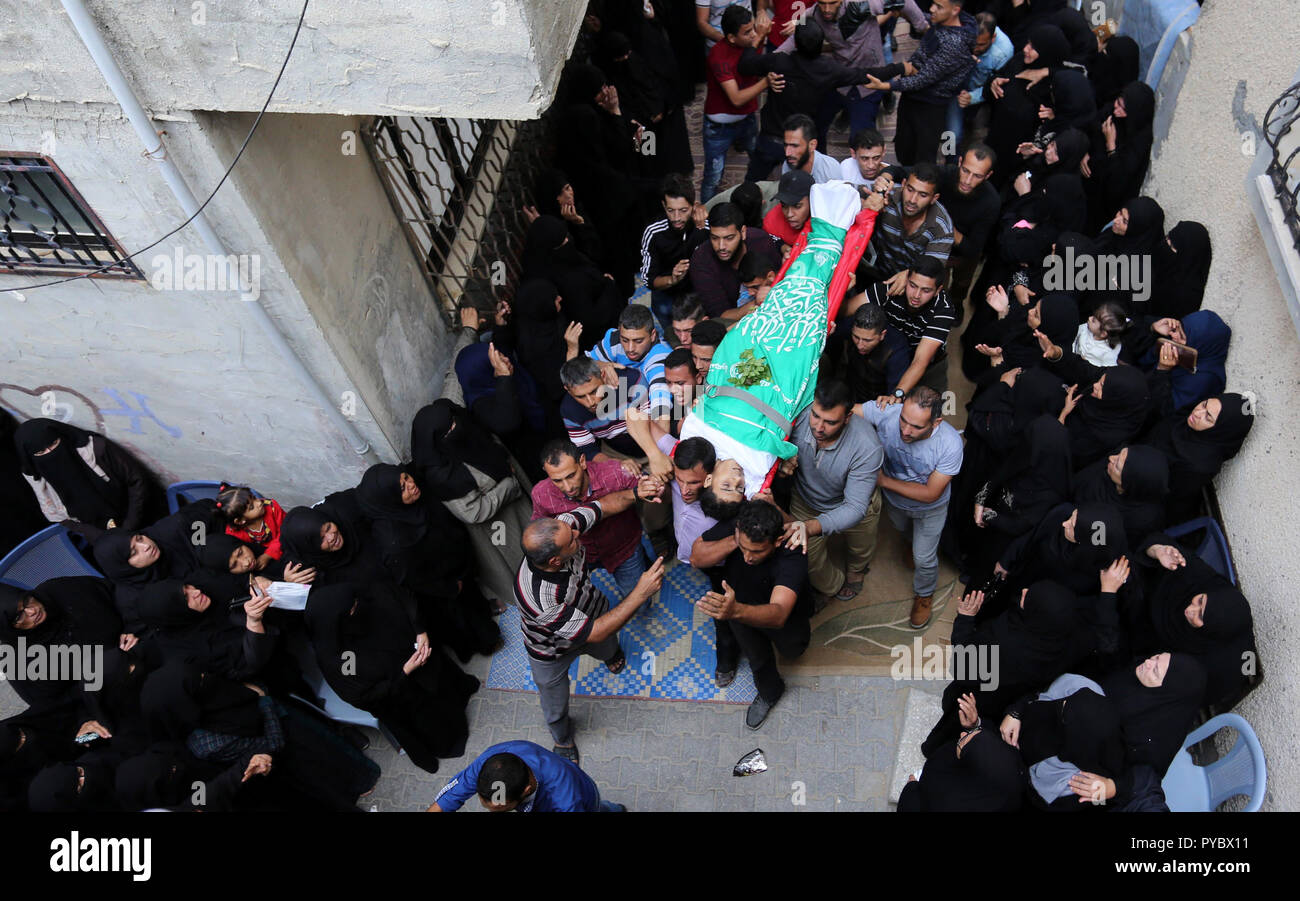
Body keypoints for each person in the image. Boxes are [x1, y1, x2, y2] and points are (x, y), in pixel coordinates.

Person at [518, 500, 664, 763]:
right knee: (555, 703)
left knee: (608, 646)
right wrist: (640, 593)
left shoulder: (564, 528)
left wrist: (634, 492)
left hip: (592, 612)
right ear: (554, 560)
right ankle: (562, 740)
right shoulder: (538, 597)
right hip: (552, 650)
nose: (577, 533)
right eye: (573, 540)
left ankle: (611, 656)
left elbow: (603, 507)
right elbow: (593, 632)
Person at [304, 583, 480, 774]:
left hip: (418, 673)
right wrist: (404, 672)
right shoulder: (342, 659)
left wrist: (418, 632)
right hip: (398, 700)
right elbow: (364, 696)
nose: (358, 606)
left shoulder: (361, 611)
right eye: (352, 608)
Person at [355, 463, 501, 660]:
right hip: (439, 587)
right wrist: (448, 587)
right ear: (389, 498)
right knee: (461, 620)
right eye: (402, 487)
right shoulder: (394, 542)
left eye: (406, 477)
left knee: (471, 599)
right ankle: (484, 644)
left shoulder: (411, 504)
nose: (411, 484)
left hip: (452, 568)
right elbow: (413, 580)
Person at [857, 386, 964, 628]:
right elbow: (845, 412)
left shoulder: (950, 445)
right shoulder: (890, 412)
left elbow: (930, 494)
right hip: (894, 503)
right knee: (902, 530)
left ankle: (924, 595)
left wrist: (883, 481)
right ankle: (909, 541)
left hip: (930, 510)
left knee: (924, 558)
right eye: (904, 421)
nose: (905, 430)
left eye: (916, 427)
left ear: (936, 422)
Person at [410, 400, 532, 609]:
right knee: (519, 557)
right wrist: (508, 485)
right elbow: (474, 512)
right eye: (449, 431)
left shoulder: (461, 430)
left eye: (454, 424)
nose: (456, 429)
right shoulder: (442, 475)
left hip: (516, 504)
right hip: (496, 522)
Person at [698, 499, 809, 728]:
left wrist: (736, 610)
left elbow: (778, 614)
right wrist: (734, 540)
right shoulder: (742, 522)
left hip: (775, 613)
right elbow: (696, 556)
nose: (748, 557)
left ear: (777, 541)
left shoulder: (793, 550)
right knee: (757, 657)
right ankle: (770, 692)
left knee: (794, 649)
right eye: (744, 548)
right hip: (740, 607)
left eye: (757, 551)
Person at [781, 379, 883, 605]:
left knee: (860, 546)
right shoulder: (800, 416)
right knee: (806, 558)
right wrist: (782, 466)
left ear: (847, 417)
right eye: (816, 416)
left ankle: (856, 570)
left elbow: (855, 507)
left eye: (830, 422)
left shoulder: (867, 446)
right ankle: (833, 585)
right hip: (806, 500)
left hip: (855, 504)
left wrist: (811, 527)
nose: (818, 427)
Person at [738, 20, 880, 182]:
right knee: (809, 184)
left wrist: (760, 36)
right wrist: (900, 69)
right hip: (802, 145)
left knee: (753, 183)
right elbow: (863, 74)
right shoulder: (828, 69)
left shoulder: (778, 62)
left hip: (771, 140)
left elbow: (745, 65)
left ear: (796, 44)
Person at [531, 439, 653, 599]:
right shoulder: (541, 494)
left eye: (571, 476)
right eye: (557, 480)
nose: (567, 487)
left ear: (582, 462)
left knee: (639, 603)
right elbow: (540, 526)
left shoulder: (615, 473)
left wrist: (651, 485)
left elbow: (649, 486)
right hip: (580, 555)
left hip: (624, 548)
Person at [798, 0, 930, 146]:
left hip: (869, 83)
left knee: (863, 141)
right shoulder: (814, 13)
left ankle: (884, 97)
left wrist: (922, 26)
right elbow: (798, 31)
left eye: (832, 3)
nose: (826, 9)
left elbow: (903, 1)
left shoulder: (863, 6)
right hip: (841, 80)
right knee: (815, 128)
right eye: (822, 3)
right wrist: (798, 26)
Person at [863, 0, 977, 165]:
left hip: (931, 103)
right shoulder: (947, 22)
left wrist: (886, 86)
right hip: (913, 95)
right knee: (904, 143)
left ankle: (949, 170)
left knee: (937, 146)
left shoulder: (954, 44)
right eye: (933, 4)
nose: (932, 9)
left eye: (938, 7)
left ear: (955, 10)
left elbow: (923, 79)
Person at [14, 418, 163, 541]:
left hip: (143, 515)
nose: (51, 453)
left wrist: (129, 527)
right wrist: (99, 536)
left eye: (54, 444)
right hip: (103, 536)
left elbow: (136, 481)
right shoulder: (37, 478)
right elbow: (62, 518)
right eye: (41, 452)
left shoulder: (96, 449)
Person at [845, 255, 956, 395]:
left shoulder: (943, 310)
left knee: (927, 409)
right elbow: (845, 310)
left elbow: (920, 361)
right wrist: (844, 288)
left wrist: (897, 394)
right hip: (888, 354)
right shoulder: (890, 289)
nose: (916, 295)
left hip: (927, 365)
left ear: (938, 291)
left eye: (926, 290)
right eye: (913, 285)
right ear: (906, 279)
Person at [700, 6, 779, 201]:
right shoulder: (718, 55)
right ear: (731, 37)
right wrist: (765, 83)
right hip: (719, 126)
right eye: (747, 32)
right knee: (713, 176)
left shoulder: (751, 44)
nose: (754, 35)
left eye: (753, 28)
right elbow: (736, 98)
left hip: (748, 119)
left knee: (758, 160)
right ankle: (706, 214)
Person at [1143, 394, 1254, 523]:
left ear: (1220, 430)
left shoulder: (1199, 465)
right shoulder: (1188, 421)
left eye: (1208, 417)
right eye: (1204, 404)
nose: (1198, 413)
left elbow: (1163, 494)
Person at [429, 739, 623, 812]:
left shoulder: (567, 802)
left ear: (527, 790)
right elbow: (447, 799)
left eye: (503, 809)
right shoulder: (494, 761)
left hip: (585, 799)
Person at [582, 304, 675, 426]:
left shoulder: (661, 355)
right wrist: (601, 365)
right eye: (625, 340)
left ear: (652, 336)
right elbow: (582, 366)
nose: (630, 348)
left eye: (638, 341)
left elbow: (661, 403)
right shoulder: (613, 339)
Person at [898, 724, 1026, 812]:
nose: (962, 733)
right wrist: (975, 724)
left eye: (964, 740)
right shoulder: (1008, 784)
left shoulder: (946, 803)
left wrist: (911, 788)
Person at [642, 174, 710, 336]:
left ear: (694, 206)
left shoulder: (705, 226)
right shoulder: (654, 232)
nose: (677, 218)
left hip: (697, 292)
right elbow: (648, 279)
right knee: (673, 334)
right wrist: (672, 279)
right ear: (663, 205)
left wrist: (703, 232)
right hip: (666, 296)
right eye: (670, 210)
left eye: (683, 210)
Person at [688, 202, 783, 318]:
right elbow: (722, 315)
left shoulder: (761, 241)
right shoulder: (702, 262)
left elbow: (780, 274)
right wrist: (758, 302)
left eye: (729, 238)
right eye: (715, 238)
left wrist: (771, 289)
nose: (721, 246)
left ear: (743, 232)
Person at [862, 163, 954, 283]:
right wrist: (864, 204)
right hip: (875, 272)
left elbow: (930, 272)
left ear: (934, 198)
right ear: (903, 184)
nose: (912, 200)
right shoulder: (888, 197)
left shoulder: (941, 227)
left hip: (912, 285)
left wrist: (908, 275)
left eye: (923, 195)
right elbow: (844, 191)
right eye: (910, 190)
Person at [559, 355, 656, 463]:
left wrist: (655, 456)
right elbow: (588, 450)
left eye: (594, 391)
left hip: (654, 442)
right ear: (567, 390)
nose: (591, 402)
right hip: (615, 453)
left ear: (603, 376)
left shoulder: (632, 381)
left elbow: (655, 424)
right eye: (580, 396)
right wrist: (617, 464)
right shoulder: (569, 410)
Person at [946, 12, 1013, 163]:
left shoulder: (1003, 53)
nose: (975, 48)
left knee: (972, 123)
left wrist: (972, 98)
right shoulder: (957, 29)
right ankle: (948, 162)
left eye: (981, 45)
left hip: (978, 93)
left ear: (993, 38)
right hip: (954, 88)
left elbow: (995, 84)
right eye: (972, 42)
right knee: (950, 134)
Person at [938, 145, 1000, 309]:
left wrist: (949, 230)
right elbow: (910, 172)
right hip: (938, 248)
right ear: (959, 162)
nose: (967, 180)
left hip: (965, 254)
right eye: (965, 171)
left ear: (988, 175)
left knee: (962, 283)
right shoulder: (946, 174)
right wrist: (887, 175)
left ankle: (957, 304)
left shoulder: (991, 202)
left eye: (977, 176)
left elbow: (974, 248)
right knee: (936, 288)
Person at [1072, 445, 1170, 542]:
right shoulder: (1106, 469)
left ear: (1128, 484)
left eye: (1117, 467)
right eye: (1119, 453)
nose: (1111, 458)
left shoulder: (1139, 522)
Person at [825, 300, 911, 404]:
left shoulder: (897, 351)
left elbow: (892, 397)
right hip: (849, 390)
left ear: (882, 335)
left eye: (867, 340)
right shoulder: (851, 326)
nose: (860, 345)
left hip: (875, 404)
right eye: (856, 337)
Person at [1149, 221, 1212, 319]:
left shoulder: (1185, 297)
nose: (1165, 244)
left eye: (1172, 246)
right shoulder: (1160, 266)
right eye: (1167, 237)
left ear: (1187, 257)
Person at [776, 113, 843, 184]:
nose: (787, 153)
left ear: (812, 145)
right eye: (786, 145)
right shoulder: (788, 164)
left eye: (795, 146)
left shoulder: (830, 169)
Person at [762, 169, 815, 249]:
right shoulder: (772, 220)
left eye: (797, 206)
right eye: (784, 206)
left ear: (812, 201)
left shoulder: (825, 224)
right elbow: (770, 236)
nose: (789, 214)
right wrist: (781, 246)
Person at [663, 347, 702, 436]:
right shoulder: (673, 402)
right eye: (668, 382)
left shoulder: (709, 399)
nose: (673, 390)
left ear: (698, 378)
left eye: (680, 383)